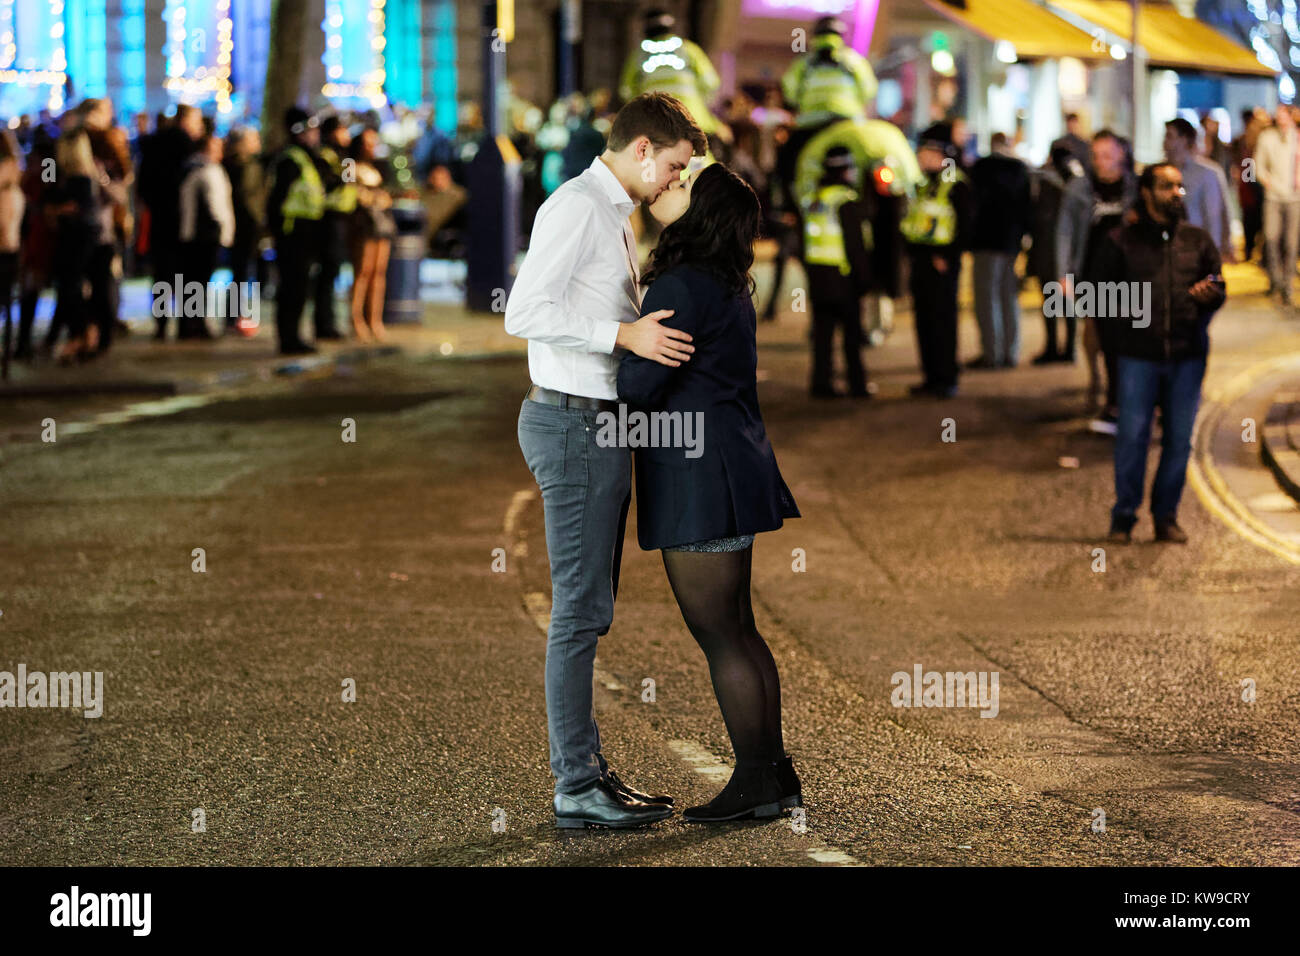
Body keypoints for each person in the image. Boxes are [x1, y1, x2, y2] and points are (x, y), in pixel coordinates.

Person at [505, 92, 706, 830]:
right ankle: (576, 784)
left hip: (594, 424)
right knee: (580, 613)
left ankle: (585, 774)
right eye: (676, 167)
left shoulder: (610, 208)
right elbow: (522, 310)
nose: (674, 182)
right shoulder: (580, 206)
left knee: (589, 610)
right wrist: (621, 338)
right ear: (644, 148)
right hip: (574, 424)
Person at [616, 162, 802, 822]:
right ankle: (771, 775)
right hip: (729, 466)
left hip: (700, 476)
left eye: (684, 182)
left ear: (703, 214)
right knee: (738, 630)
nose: (668, 182)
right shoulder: (722, 280)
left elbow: (638, 386)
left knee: (722, 634)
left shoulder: (681, 284)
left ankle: (758, 781)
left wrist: (614, 339)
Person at [1091, 162, 1226, 544]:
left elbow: (1217, 284)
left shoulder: (1198, 241)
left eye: (1179, 186)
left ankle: (1166, 516)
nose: (1176, 193)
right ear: (1147, 192)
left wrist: (1211, 295)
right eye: (1167, 186)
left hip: (1188, 355)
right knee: (1132, 436)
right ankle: (1123, 517)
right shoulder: (1120, 242)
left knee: (1179, 439)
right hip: (1138, 357)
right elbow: (1098, 298)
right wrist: (1122, 338)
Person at [1057, 129, 1137, 431]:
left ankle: (1123, 400)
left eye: (1108, 154)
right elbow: (1064, 233)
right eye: (1096, 155)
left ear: (1121, 154)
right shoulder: (1079, 188)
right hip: (1092, 272)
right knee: (1101, 336)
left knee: (1128, 338)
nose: (1102, 161)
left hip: (1129, 275)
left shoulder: (1135, 186)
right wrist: (1064, 275)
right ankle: (1106, 391)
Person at [902, 124, 972, 399]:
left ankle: (946, 377)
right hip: (921, 261)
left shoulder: (957, 184)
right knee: (924, 322)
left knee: (942, 321)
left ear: (940, 153)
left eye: (924, 151)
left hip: (943, 264)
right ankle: (931, 377)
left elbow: (966, 228)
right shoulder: (923, 183)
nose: (920, 156)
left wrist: (947, 256)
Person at [801, 146, 874, 397]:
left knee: (822, 335)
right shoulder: (845, 201)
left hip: (819, 277)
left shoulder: (815, 199)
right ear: (845, 169)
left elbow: (805, 242)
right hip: (844, 279)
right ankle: (858, 385)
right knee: (852, 336)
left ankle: (821, 385)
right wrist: (864, 280)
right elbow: (855, 246)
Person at [138, 103, 203, 339]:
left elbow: (143, 183)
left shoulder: (154, 144)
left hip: (160, 217)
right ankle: (188, 325)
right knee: (188, 274)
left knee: (162, 274)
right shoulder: (189, 148)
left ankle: (162, 323)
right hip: (184, 218)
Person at [266, 107, 326, 355]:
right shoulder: (292, 159)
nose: (316, 134)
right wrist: (276, 230)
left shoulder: (311, 157)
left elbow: (340, 177)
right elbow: (276, 200)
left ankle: (295, 336)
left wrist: (348, 159)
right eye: (311, 129)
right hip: (293, 232)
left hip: (308, 230)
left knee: (301, 287)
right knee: (293, 287)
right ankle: (289, 338)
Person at [968, 131, 1031, 369]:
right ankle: (1010, 352)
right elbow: (1027, 207)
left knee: (986, 298)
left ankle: (991, 353)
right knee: (1008, 296)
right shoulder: (1019, 169)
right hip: (1010, 243)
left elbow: (974, 205)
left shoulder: (981, 168)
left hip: (986, 240)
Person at [619, 9, 721, 137]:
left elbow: (626, 91)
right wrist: (704, 105)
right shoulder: (688, 49)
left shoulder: (638, 56)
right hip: (692, 118)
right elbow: (711, 82)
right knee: (702, 155)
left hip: (654, 123)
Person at [178, 132, 236, 339]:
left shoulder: (193, 169)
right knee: (198, 281)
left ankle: (190, 324)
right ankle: (194, 324)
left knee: (194, 281)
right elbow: (215, 205)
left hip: (196, 233)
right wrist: (223, 229)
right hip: (204, 234)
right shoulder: (205, 170)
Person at [1029, 144, 1081, 364]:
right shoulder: (1077, 183)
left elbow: (1037, 217)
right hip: (1067, 252)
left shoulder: (1046, 182)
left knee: (1051, 302)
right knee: (1067, 302)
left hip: (1048, 250)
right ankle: (1068, 349)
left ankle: (1054, 347)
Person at [348, 127, 396, 343]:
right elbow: (349, 192)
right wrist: (371, 197)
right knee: (362, 272)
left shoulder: (378, 167)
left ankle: (375, 319)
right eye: (368, 142)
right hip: (362, 225)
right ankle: (356, 318)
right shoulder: (349, 165)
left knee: (378, 273)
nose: (372, 147)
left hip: (380, 224)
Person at [1163, 117, 1233, 263]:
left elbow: (1215, 215)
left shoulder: (1207, 173)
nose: (1164, 141)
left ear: (1184, 140)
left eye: (1169, 136)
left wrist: (1219, 248)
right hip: (1165, 249)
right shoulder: (1159, 173)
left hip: (1196, 248)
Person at [1254, 104, 1300, 305]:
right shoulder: (1267, 138)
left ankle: (1287, 285)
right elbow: (1258, 165)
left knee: (1291, 244)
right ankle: (1275, 279)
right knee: (1271, 239)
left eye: (1284, 116)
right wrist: (1267, 181)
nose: (1280, 120)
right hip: (1273, 197)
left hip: (1295, 197)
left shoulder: (1297, 138)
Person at [223, 125, 267, 331]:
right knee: (240, 270)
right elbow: (247, 196)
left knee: (241, 270)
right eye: (254, 139)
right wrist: (257, 218)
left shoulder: (247, 164)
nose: (257, 142)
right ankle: (233, 314)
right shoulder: (244, 166)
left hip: (245, 223)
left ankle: (235, 313)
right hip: (244, 223)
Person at [315, 115, 354, 340]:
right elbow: (334, 184)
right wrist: (346, 170)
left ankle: (328, 322)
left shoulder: (342, 157)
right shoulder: (328, 156)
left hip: (341, 219)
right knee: (327, 273)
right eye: (342, 130)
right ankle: (324, 324)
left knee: (333, 272)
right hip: (329, 219)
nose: (346, 135)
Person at [0, 129, 23, 379]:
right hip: (11, 250)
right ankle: (5, 358)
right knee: (6, 305)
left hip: (5, 251)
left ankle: (5, 358)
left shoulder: (6, 191)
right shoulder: (15, 188)